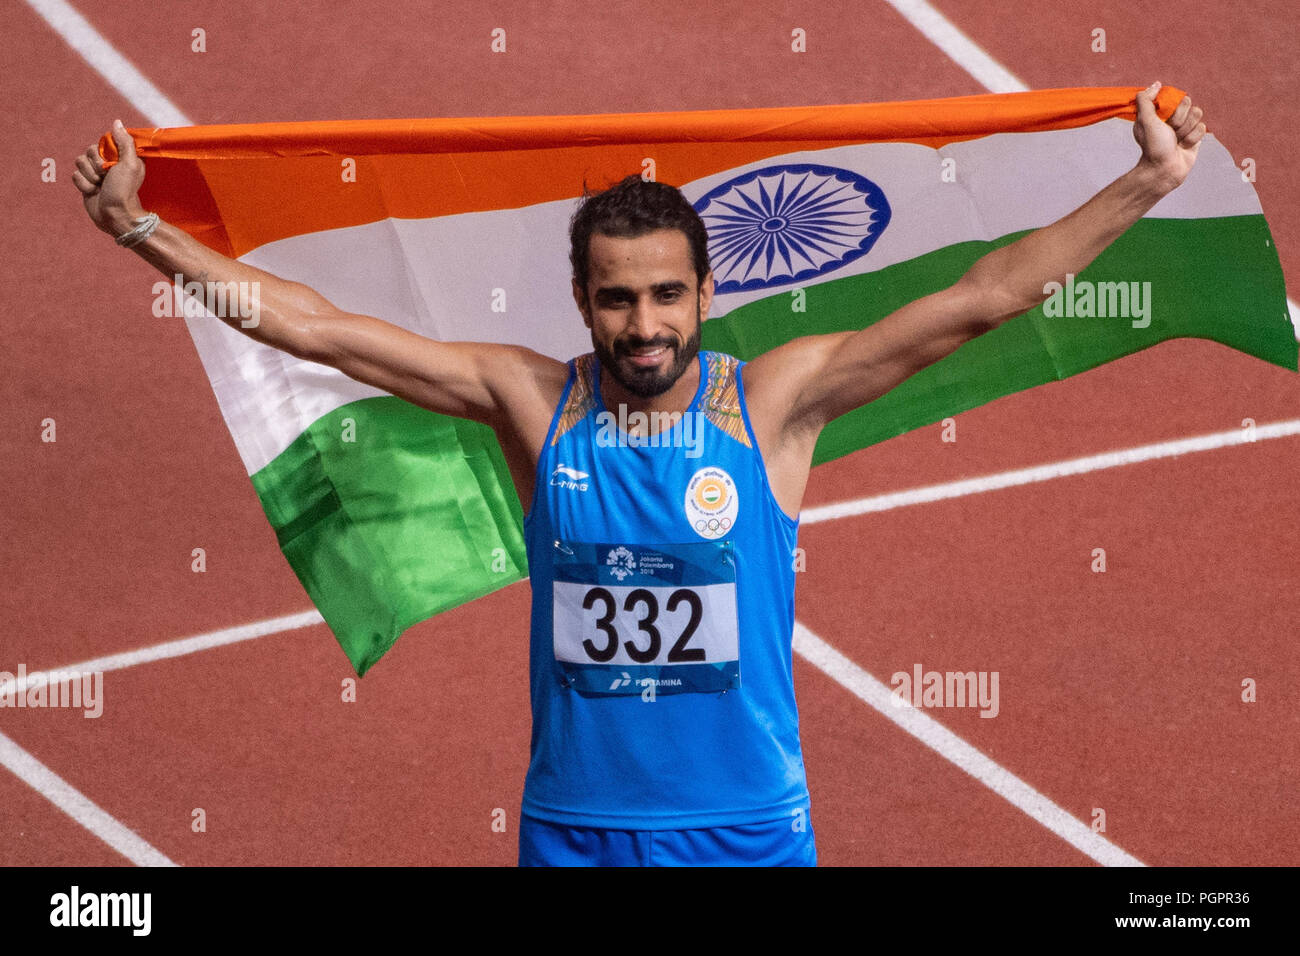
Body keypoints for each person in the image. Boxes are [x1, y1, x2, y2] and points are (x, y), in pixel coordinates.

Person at [74, 83, 1205, 866]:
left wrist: (1147, 182)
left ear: (704, 295)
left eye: (666, 294)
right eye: (617, 297)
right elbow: (318, 330)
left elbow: (985, 295)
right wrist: (142, 235)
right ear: (584, 303)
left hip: (745, 827)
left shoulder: (772, 402)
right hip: (576, 826)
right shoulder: (530, 400)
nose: (644, 321)